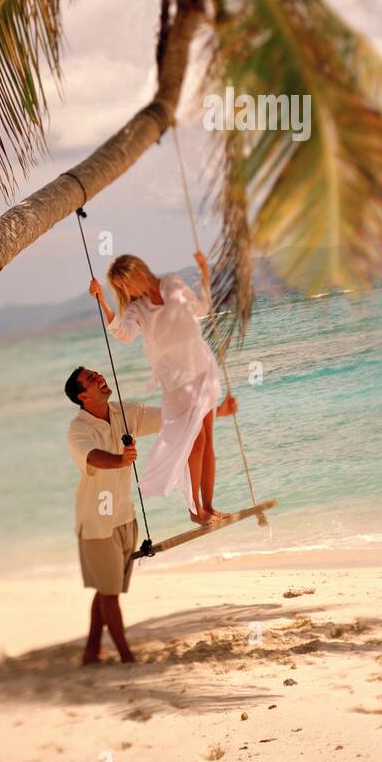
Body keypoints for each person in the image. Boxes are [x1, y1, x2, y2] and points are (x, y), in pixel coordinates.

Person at [88, 251, 237, 524]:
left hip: (202, 367)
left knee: (208, 439)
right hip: (177, 382)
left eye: (125, 283)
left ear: (138, 272)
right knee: (196, 440)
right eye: (119, 288)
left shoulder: (172, 283)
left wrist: (205, 273)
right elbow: (124, 333)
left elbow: (201, 309)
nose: (125, 290)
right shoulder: (136, 311)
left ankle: (209, 506)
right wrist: (102, 301)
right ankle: (195, 511)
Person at [64, 365, 161, 665]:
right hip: (97, 524)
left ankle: (91, 651)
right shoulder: (78, 429)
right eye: (91, 379)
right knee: (110, 594)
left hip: (125, 516)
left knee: (108, 588)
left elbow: (169, 417)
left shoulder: (125, 412)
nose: (100, 377)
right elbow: (91, 457)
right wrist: (121, 460)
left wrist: (211, 410)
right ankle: (126, 657)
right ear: (83, 395)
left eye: (97, 373)